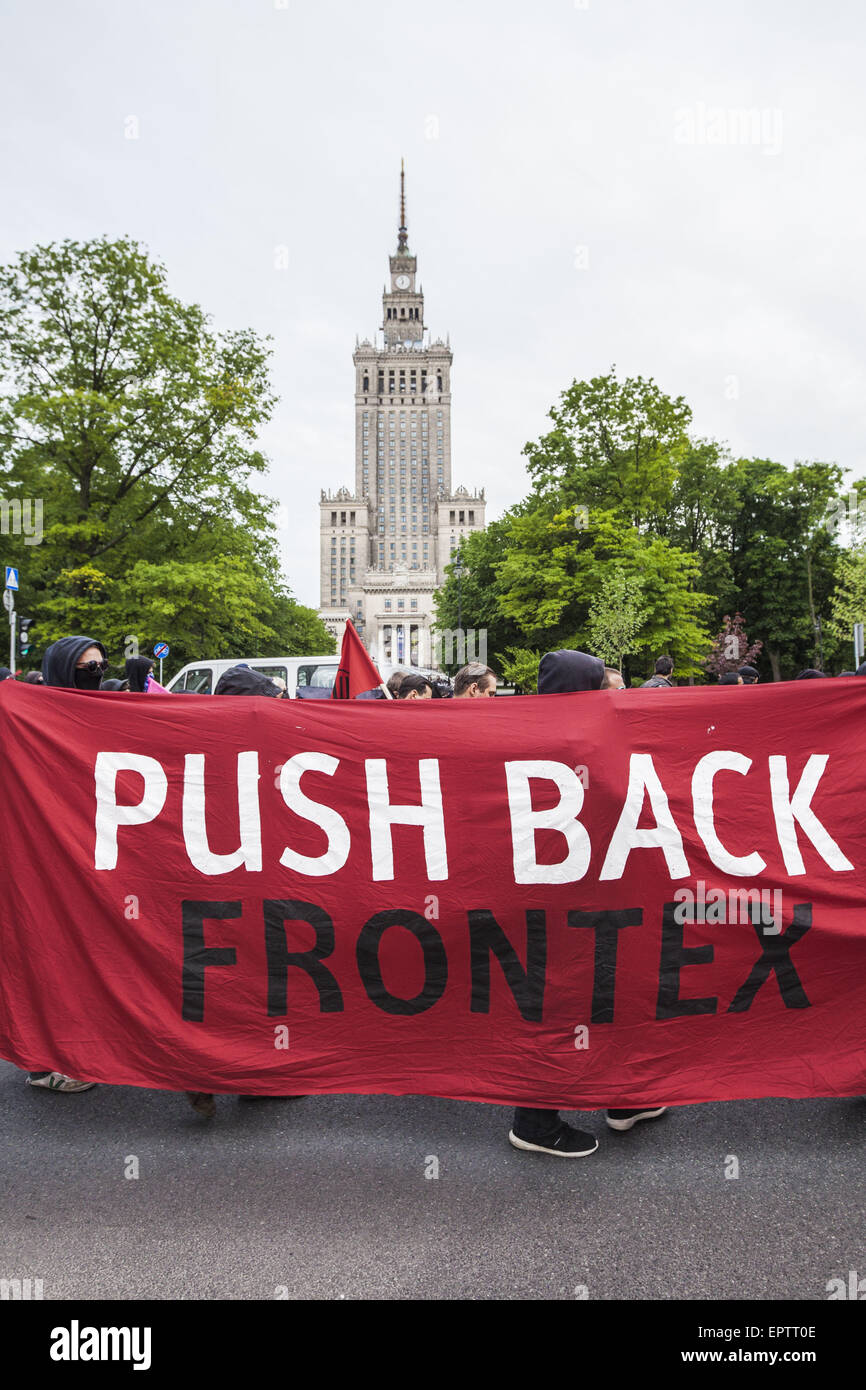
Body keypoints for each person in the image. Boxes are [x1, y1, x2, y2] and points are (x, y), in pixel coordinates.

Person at [507, 649, 668, 1157]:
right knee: (566, 1001)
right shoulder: (584, 738)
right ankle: (535, 1120)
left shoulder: (520, 731)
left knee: (607, 996)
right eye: (604, 685)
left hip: (579, 893)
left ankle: (624, 1096)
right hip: (569, 897)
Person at [26, 636, 110, 1094]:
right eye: (84, 668)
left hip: (95, 858)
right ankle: (48, 1061)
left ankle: (75, 1050)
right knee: (50, 957)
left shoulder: (108, 714)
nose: (93, 674)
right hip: (46, 860)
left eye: (99, 666)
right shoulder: (33, 718)